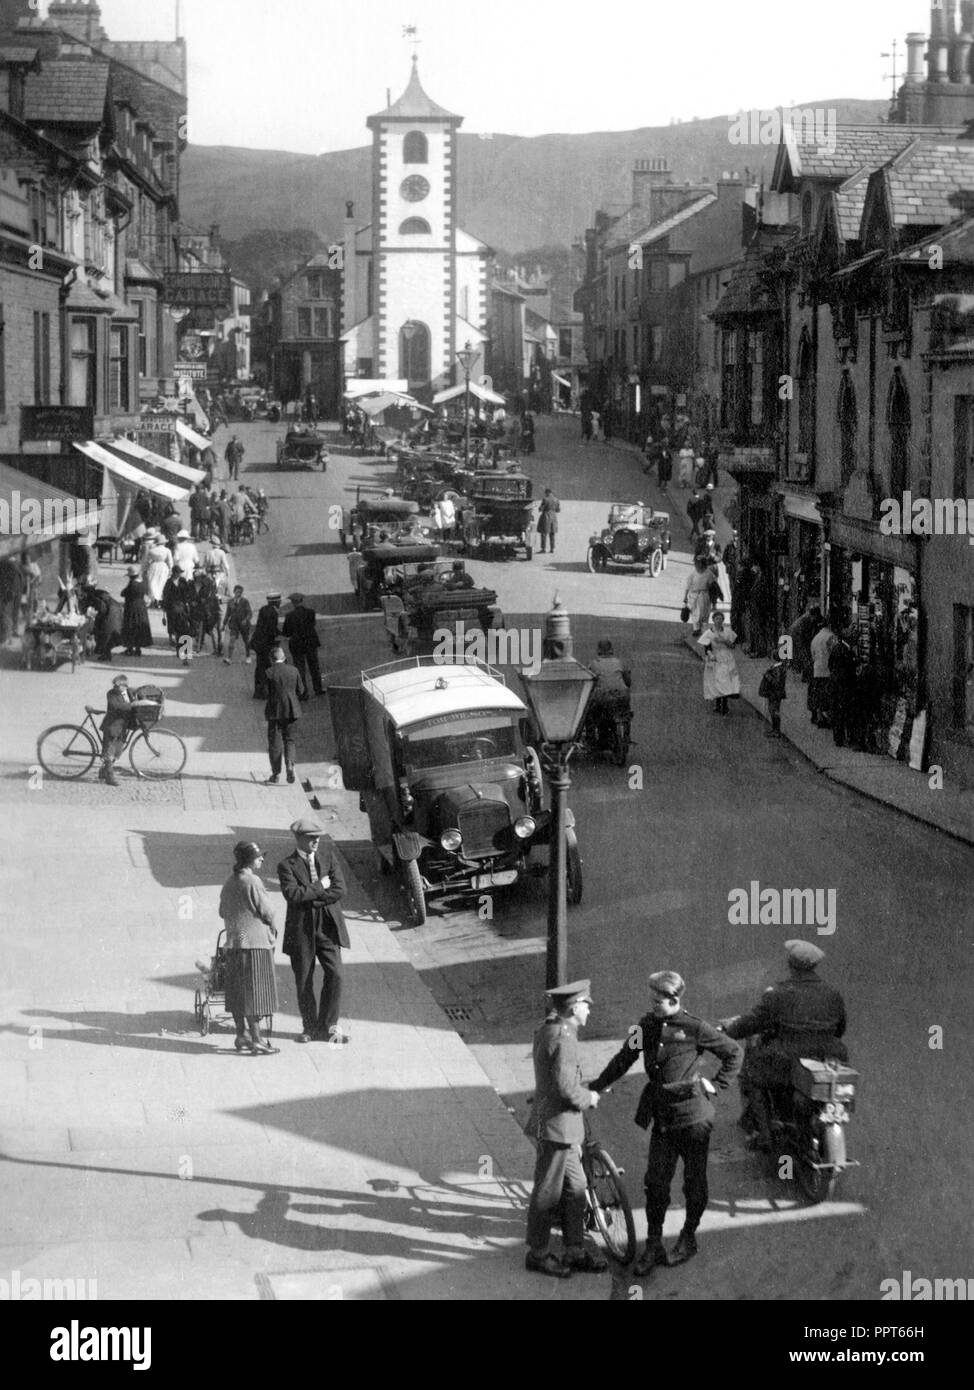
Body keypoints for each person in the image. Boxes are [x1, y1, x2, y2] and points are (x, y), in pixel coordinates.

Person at [589, 970, 742, 1274]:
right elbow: (624, 1058)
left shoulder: (695, 1027)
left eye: (658, 1000)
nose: (653, 1004)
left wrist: (717, 1085)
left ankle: (688, 1237)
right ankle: (654, 1244)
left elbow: (733, 1052)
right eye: (652, 999)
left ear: (674, 999)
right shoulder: (646, 1025)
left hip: (694, 1117)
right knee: (656, 1184)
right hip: (663, 1117)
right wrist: (595, 1086)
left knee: (693, 1182)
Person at [720, 941, 847, 1153]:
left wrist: (730, 1030)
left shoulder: (778, 994)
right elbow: (840, 1028)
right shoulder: (833, 994)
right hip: (829, 1058)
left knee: (752, 1077)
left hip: (786, 1060)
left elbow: (753, 1022)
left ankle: (765, 1136)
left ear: (790, 964)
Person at [524, 980, 605, 1279]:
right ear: (573, 1008)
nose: (589, 1011)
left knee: (575, 1189)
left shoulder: (550, 1029)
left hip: (563, 1128)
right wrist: (590, 1098)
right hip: (558, 1127)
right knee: (548, 1192)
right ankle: (538, 1253)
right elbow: (566, 1088)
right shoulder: (564, 1038)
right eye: (586, 1005)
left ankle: (574, 1248)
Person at [278, 817, 350, 1045]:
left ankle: (329, 1026)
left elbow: (340, 889)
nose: (315, 843)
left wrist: (313, 897)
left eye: (317, 838)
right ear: (298, 839)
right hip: (301, 930)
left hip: (327, 926)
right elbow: (293, 895)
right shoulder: (286, 866)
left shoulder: (328, 857)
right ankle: (310, 1027)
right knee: (303, 981)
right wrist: (320, 887)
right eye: (310, 839)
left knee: (336, 974)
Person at [218, 842, 280, 1054]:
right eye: (258, 856)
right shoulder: (252, 881)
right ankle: (257, 1039)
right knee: (256, 993)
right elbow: (268, 911)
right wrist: (272, 928)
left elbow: (222, 911)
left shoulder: (229, 882)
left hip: (234, 942)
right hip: (255, 944)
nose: (262, 859)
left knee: (237, 992)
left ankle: (241, 1035)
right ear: (249, 860)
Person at [264, 646, 301, 783]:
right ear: (284, 658)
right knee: (290, 739)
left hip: (274, 711)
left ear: (271, 659)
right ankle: (290, 765)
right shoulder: (294, 670)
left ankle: (276, 774)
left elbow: (265, 692)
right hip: (292, 710)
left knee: (274, 742)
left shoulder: (269, 672)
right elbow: (301, 690)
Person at [697, 610, 740, 715]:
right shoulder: (709, 633)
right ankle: (718, 704)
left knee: (724, 681)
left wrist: (724, 641)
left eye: (721, 619)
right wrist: (710, 654)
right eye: (717, 619)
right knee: (715, 681)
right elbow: (706, 646)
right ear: (713, 620)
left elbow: (733, 646)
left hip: (726, 658)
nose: (719, 621)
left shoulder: (728, 632)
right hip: (715, 658)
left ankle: (724, 705)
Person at [99, 673, 137, 786]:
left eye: (117, 685)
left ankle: (103, 771)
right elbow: (116, 706)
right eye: (114, 685)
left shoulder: (130, 692)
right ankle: (109, 777)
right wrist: (133, 704)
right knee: (109, 751)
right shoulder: (111, 694)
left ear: (125, 685)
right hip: (112, 726)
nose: (115, 687)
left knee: (118, 751)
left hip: (123, 726)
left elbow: (140, 694)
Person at [282, 593, 322, 700]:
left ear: (293, 602)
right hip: (310, 642)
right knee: (314, 667)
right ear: (302, 601)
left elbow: (286, 632)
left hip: (297, 644)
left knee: (300, 669)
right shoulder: (310, 613)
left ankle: (303, 693)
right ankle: (318, 689)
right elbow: (313, 624)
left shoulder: (289, 616)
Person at [829, 627, 859, 748]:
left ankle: (838, 738)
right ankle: (847, 738)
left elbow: (830, 665)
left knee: (838, 713)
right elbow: (848, 670)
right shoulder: (846, 651)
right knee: (845, 713)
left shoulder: (836, 648)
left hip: (836, 685)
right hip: (844, 686)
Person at [251, 593, 282, 699]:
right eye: (279, 601)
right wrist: (279, 635)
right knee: (268, 666)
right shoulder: (273, 612)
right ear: (276, 602)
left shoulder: (263, 609)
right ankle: (267, 691)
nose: (280, 603)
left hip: (258, 642)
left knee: (260, 666)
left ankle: (258, 690)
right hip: (266, 644)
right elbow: (271, 629)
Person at [809, 614, 838, 728]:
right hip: (828, 671)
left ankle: (820, 717)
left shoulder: (816, 638)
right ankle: (829, 718)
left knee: (819, 695)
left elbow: (813, 655)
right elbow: (834, 653)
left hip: (817, 670)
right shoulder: (831, 637)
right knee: (829, 695)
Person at [120, 566, 151, 658]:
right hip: (141, 607)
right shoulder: (142, 584)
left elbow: (123, 593)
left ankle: (130, 648)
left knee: (130, 626)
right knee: (139, 627)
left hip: (131, 607)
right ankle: (138, 648)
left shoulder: (132, 584)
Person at [758, 644, 787, 738]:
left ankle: (776, 730)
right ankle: (775, 729)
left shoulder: (777, 668)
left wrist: (767, 676)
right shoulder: (780, 667)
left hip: (774, 693)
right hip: (776, 693)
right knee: (773, 710)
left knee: (773, 711)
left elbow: (776, 682)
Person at [684, 555, 717, 636]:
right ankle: (696, 629)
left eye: (699, 563)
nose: (697, 565)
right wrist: (685, 596)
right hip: (694, 595)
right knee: (695, 613)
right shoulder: (693, 573)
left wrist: (714, 602)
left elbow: (713, 588)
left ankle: (703, 629)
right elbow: (688, 585)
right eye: (696, 563)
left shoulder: (709, 574)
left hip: (704, 595)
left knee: (703, 613)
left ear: (703, 564)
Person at [223, 585, 253, 664]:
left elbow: (249, 613)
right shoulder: (230, 602)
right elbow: (227, 613)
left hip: (243, 624)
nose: (238, 594)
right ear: (234, 592)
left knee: (246, 640)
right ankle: (229, 658)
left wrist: (246, 620)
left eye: (240, 592)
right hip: (234, 623)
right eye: (237, 592)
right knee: (232, 639)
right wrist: (223, 624)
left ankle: (248, 656)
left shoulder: (245, 601)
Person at [536, 489, 560, 554]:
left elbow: (541, 509)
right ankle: (552, 549)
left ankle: (543, 549)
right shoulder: (556, 499)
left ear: (547, 493)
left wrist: (540, 508)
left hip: (546, 516)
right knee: (552, 533)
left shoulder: (545, 499)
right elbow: (558, 510)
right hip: (554, 517)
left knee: (544, 533)